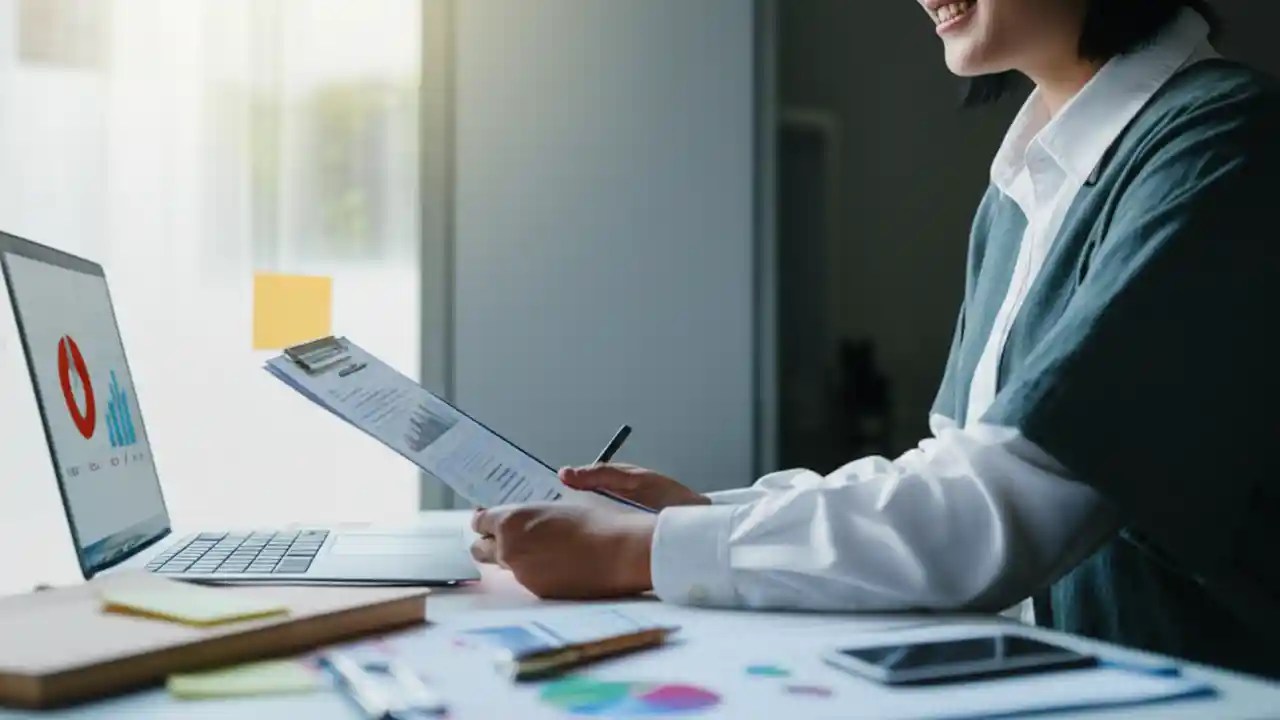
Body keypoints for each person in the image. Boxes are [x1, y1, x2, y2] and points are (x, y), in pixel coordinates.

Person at [471, 0, 1280, 678]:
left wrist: (647, 552)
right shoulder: (1023, 189)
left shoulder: (1222, 147)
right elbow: (954, 471)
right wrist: (706, 513)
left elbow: (998, 513)